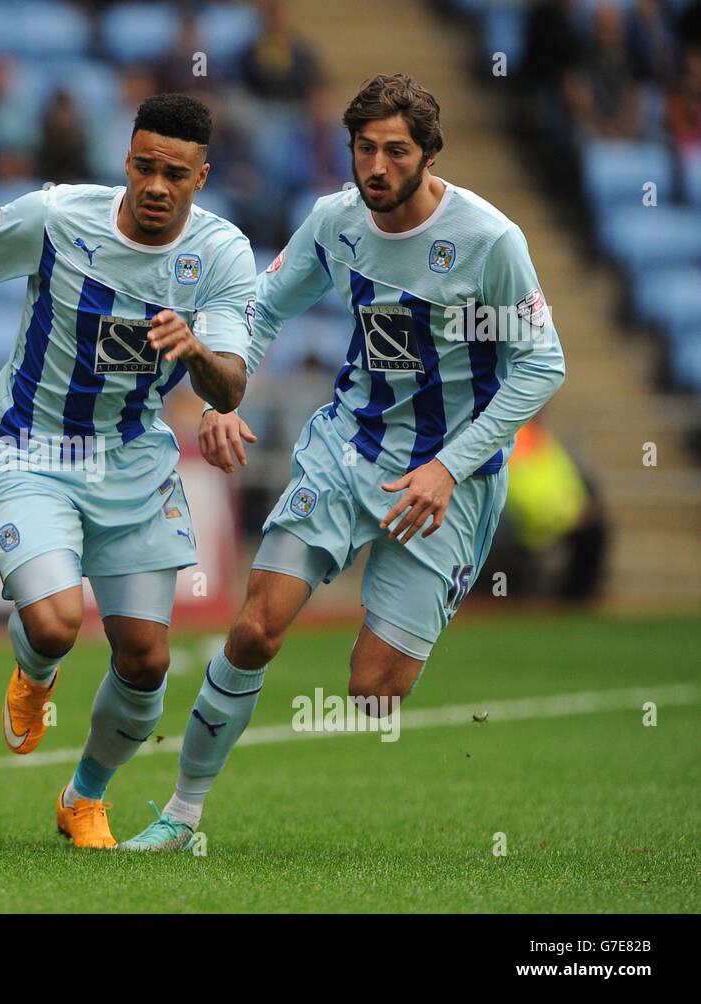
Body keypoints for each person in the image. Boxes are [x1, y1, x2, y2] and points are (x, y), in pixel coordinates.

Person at [121, 74, 567, 850]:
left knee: (372, 695)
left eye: (396, 151)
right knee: (256, 627)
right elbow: (261, 311)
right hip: (349, 448)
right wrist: (224, 399)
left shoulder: (491, 242)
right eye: (365, 148)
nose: (377, 167)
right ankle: (182, 816)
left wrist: (450, 467)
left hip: (448, 483)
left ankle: (424, 597)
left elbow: (542, 364)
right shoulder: (335, 221)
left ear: (430, 155)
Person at [0, 93, 256, 848]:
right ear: (126, 162)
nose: (155, 186)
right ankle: (36, 670)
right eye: (144, 167)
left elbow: (231, 386)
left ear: (200, 177)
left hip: (133, 461)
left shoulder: (221, 255)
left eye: (174, 174)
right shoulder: (58, 217)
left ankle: (84, 797)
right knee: (54, 624)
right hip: (31, 446)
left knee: (144, 660)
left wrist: (198, 350)